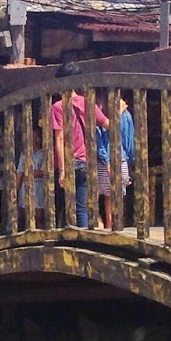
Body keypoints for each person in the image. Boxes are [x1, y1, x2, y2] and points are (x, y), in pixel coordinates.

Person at [49, 74, 109, 229]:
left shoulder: (58, 107)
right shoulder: (87, 103)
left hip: (69, 161)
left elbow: (60, 139)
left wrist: (62, 169)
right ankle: (82, 240)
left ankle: (72, 240)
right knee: (82, 207)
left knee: (63, 206)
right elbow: (107, 124)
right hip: (85, 161)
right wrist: (120, 112)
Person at [95, 96, 136, 231]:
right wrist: (129, 160)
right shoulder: (126, 116)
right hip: (121, 159)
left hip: (103, 161)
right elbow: (129, 142)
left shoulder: (99, 114)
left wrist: (106, 160)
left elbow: (99, 142)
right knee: (117, 197)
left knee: (105, 196)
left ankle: (108, 225)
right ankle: (116, 227)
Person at [16, 125, 48, 230]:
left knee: (40, 217)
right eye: (32, 137)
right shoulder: (25, 154)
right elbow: (20, 173)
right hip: (25, 189)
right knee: (27, 217)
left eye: (37, 137)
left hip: (39, 188)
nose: (35, 140)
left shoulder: (45, 153)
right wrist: (15, 191)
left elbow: (46, 171)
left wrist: (30, 173)